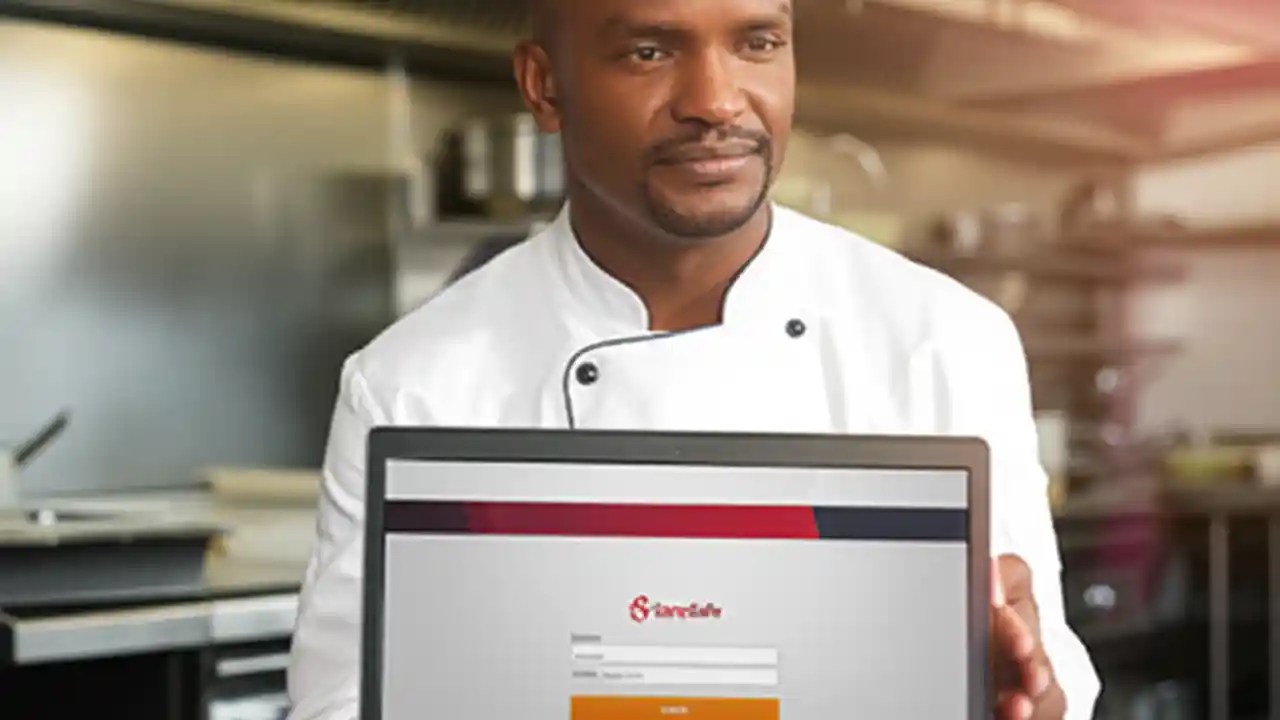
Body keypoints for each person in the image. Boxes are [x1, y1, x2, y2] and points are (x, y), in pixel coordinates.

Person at [285, 0, 1100, 718]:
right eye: (649, 51)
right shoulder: (412, 382)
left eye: (757, 43)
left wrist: (1026, 693)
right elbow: (342, 702)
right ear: (544, 85)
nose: (715, 100)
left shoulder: (943, 338)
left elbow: (1048, 669)